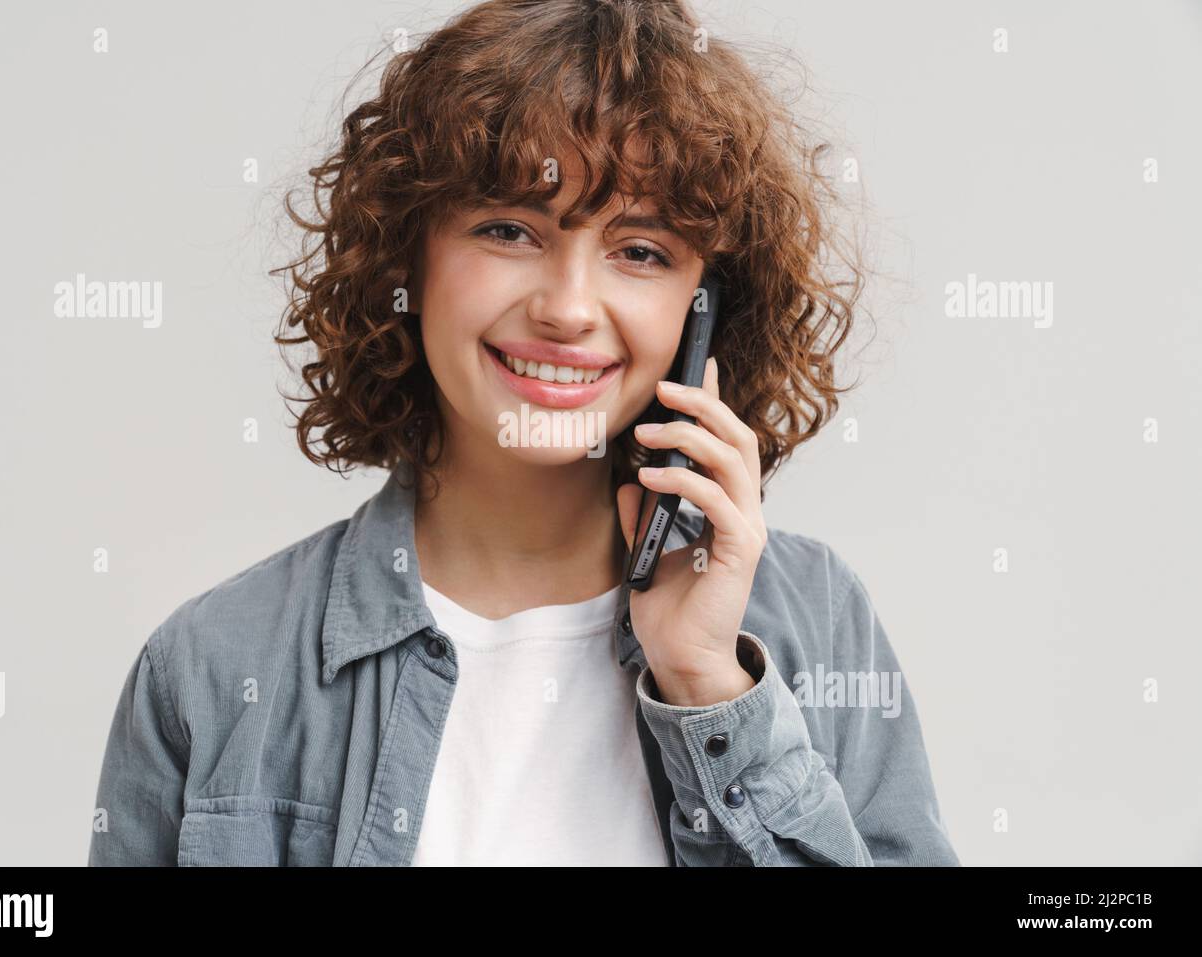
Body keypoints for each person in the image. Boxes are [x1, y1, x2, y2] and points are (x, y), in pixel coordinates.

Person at [88, 0, 958, 866]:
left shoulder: (817, 619)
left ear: (704, 316)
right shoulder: (210, 664)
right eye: (509, 230)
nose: (568, 309)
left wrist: (709, 688)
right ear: (408, 260)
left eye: (641, 250)